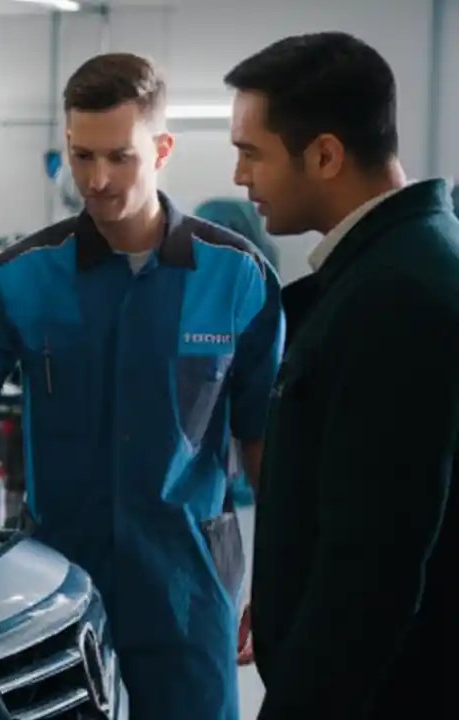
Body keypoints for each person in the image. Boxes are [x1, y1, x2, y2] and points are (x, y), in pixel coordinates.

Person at [0, 52, 284, 720]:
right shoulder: (25, 276)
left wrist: (280, 575)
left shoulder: (236, 278)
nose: (96, 181)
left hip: (188, 588)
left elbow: (264, 440)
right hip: (56, 583)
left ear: (161, 148)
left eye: (119, 157)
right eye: (81, 156)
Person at [225, 32, 458, 719]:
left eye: (251, 153)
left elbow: (373, 567)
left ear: (324, 154)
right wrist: (279, 598)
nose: (240, 178)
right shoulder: (390, 266)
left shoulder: (399, 296)